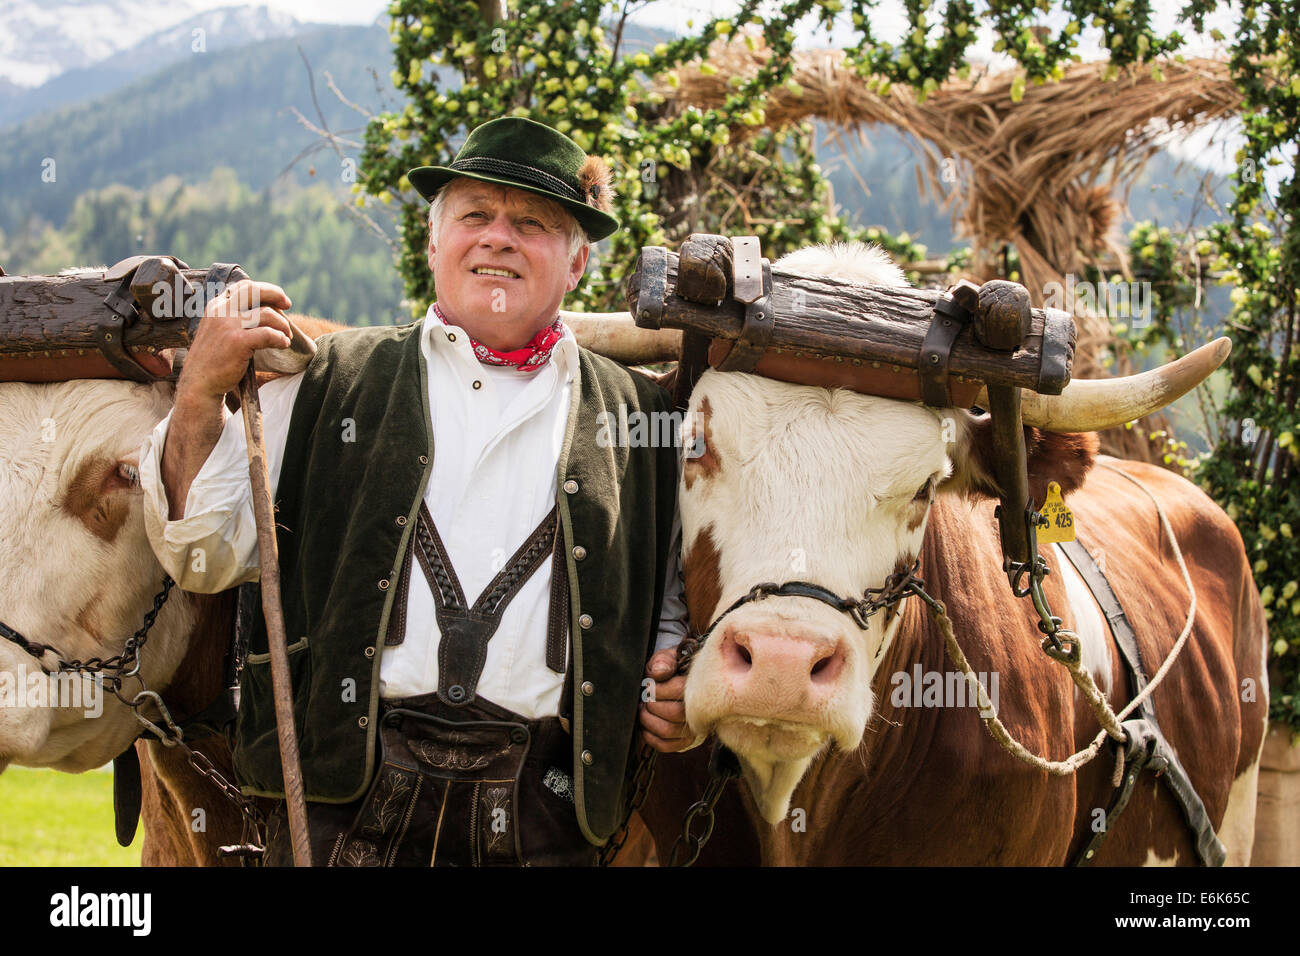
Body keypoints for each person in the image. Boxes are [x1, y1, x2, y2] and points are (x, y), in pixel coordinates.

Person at [138, 117, 695, 866]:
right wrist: (201, 393)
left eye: (532, 223)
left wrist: (678, 694)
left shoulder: (645, 420)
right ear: (435, 243)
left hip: (548, 817)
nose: (498, 237)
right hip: (342, 804)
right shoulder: (327, 378)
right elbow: (202, 555)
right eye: (474, 216)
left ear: (577, 262)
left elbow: (668, 610)